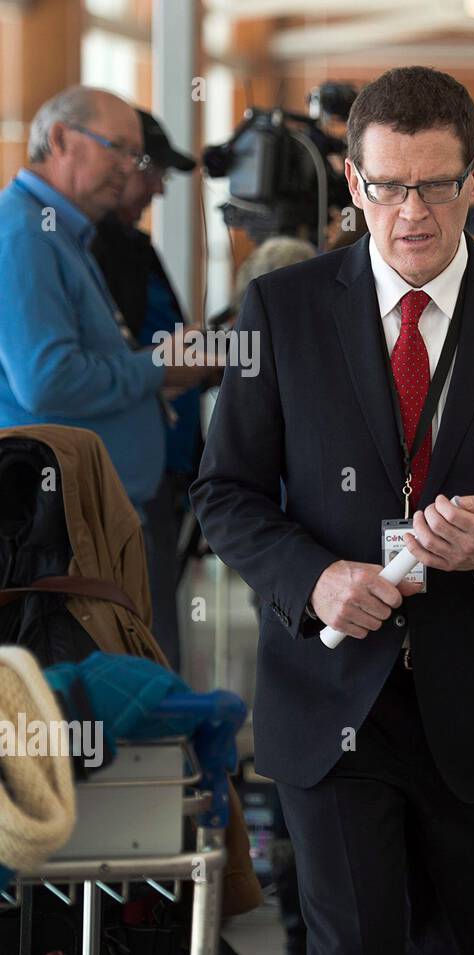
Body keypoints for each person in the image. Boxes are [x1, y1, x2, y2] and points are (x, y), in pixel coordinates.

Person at [191, 66, 474, 955]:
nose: (412, 213)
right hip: (331, 698)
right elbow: (224, 493)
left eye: (435, 186)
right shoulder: (283, 310)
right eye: (388, 187)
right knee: (357, 948)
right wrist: (315, 579)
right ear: (354, 183)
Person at [0, 87, 212, 513]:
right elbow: (49, 380)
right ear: (60, 139)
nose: (129, 168)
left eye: (135, 156)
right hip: (62, 522)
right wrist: (159, 367)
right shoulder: (25, 234)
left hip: (88, 511)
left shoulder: (61, 232)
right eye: (117, 148)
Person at [91, 109, 206, 670]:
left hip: (164, 471)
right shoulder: (81, 249)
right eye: (151, 170)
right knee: (146, 641)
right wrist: (170, 367)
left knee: (157, 625)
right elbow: (63, 375)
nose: (159, 188)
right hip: (122, 482)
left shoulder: (133, 247)